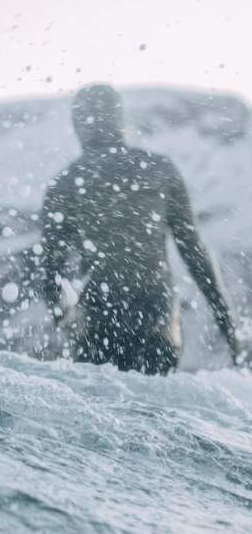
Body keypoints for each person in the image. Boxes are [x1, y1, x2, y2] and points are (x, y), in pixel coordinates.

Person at [40, 84, 240, 374]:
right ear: (120, 119)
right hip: (158, 322)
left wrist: (65, 321)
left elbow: (50, 272)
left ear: (79, 125)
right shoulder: (159, 169)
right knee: (154, 411)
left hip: (98, 322)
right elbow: (195, 253)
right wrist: (230, 328)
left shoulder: (66, 184)